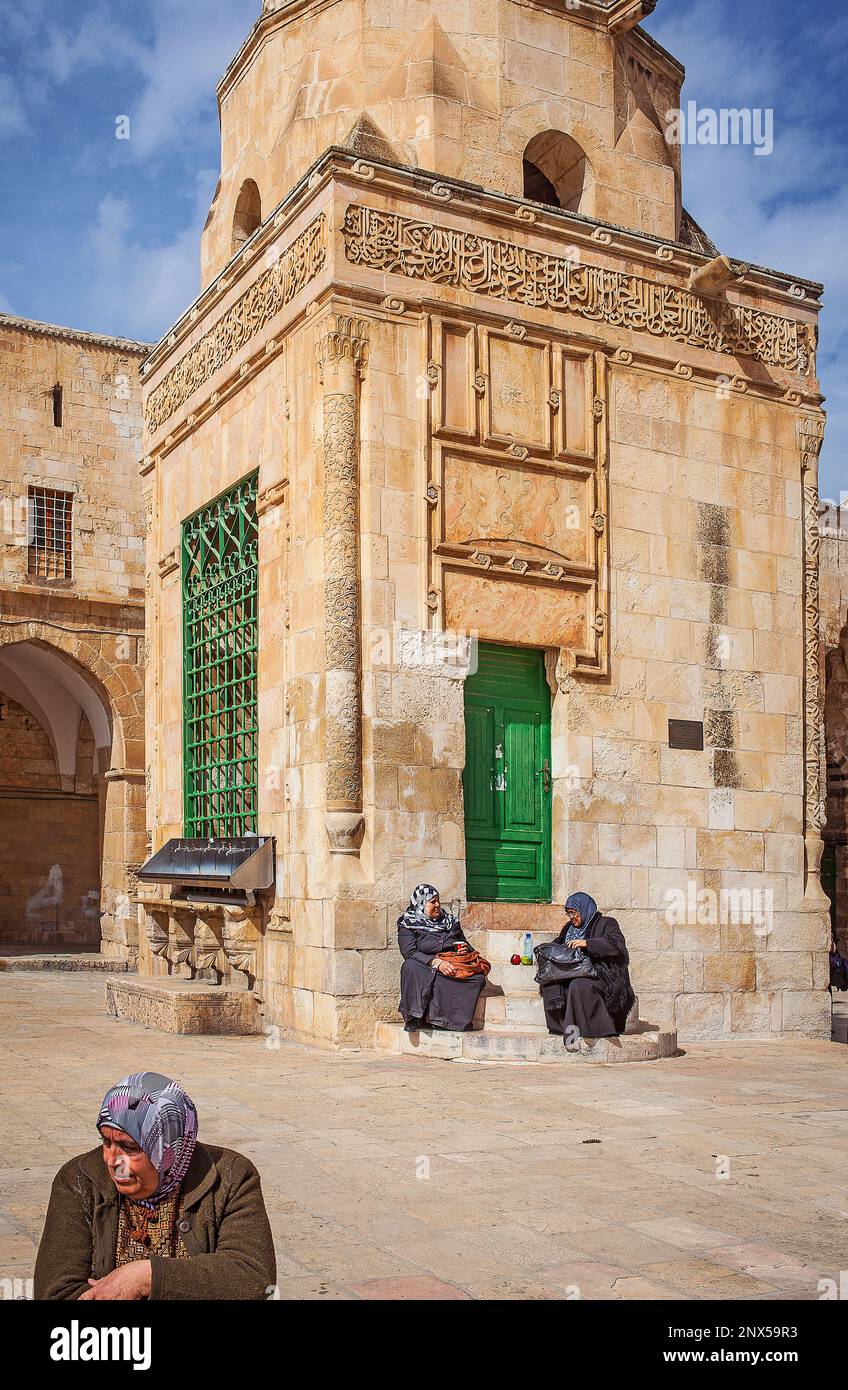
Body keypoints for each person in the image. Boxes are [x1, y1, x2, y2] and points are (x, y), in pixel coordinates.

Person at [34, 1071, 276, 1300]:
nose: (111, 1160)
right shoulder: (79, 1180)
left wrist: (148, 1277)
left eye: (129, 1147)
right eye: (106, 1142)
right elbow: (55, 1290)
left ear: (166, 1149)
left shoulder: (232, 1176)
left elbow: (253, 1279)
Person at [539, 892, 634, 1048]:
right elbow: (558, 946)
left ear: (584, 909)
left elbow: (617, 946)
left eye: (573, 913)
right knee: (552, 983)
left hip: (603, 976)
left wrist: (586, 943)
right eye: (568, 913)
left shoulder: (607, 924)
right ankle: (561, 1028)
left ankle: (593, 1031)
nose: (571, 917)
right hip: (576, 972)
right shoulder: (569, 929)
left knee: (579, 985)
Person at [397, 883, 487, 1032]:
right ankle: (414, 1018)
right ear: (421, 904)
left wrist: (465, 949)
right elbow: (409, 952)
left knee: (477, 979)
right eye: (432, 902)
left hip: (451, 963)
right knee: (410, 966)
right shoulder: (408, 923)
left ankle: (443, 1021)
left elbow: (465, 944)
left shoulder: (449, 921)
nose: (438, 905)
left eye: (438, 900)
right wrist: (436, 962)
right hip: (425, 965)